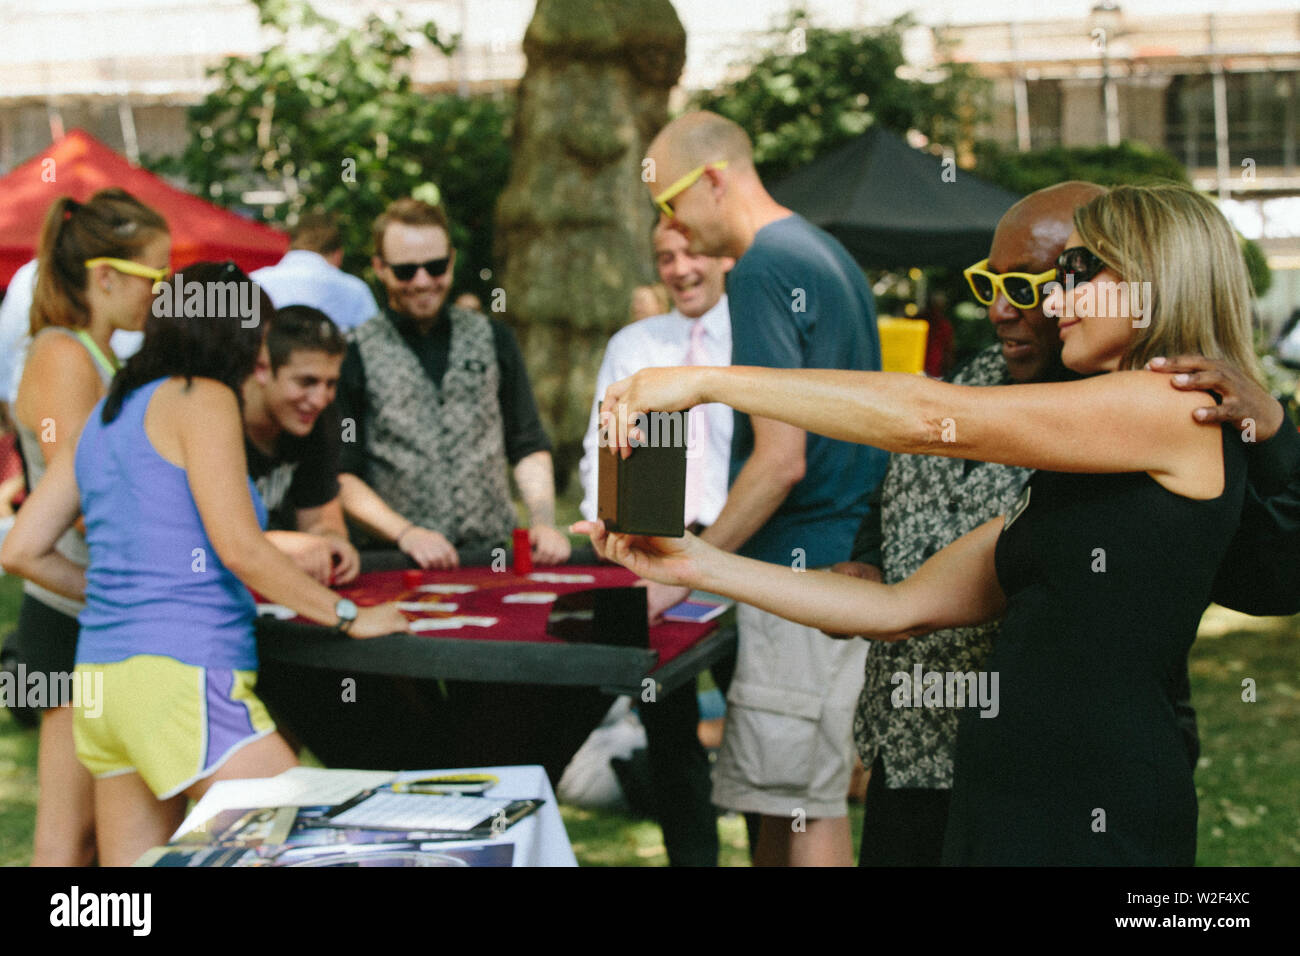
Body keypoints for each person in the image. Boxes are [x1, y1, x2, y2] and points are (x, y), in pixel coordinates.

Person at [584, 183, 1269, 865]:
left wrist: (708, 381)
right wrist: (698, 564)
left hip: (1093, 811)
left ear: (1154, 279)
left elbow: (928, 419)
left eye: (1079, 274)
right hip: (1008, 800)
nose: (1053, 301)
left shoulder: (1173, 409)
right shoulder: (1091, 468)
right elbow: (899, 608)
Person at [837, 180, 1300, 866]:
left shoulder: (1164, 409)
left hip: (1076, 787)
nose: (1022, 306)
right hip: (944, 756)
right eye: (994, 283)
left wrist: (1277, 431)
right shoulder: (992, 384)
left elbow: (1267, 575)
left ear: (1148, 278)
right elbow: (907, 551)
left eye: (1052, 280)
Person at [1, 262, 409, 867]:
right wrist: (348, 615)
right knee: (313, 849)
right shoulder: (204, 396)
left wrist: (129, 591)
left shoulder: (111, 413)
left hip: (103, 688)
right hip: (181, 677)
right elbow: (240, 547)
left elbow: (20, 549)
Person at [631, 110, 888, 866]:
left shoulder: (766, 266)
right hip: (836, 560)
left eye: (669, 202)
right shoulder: (823, 250)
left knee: (805, 807)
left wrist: (690, 568)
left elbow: (780, 460)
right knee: (787, 801)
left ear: (712, 180)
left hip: (802, 570)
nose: (669, 224)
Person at [7, 189, 169, 866]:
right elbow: (79, 495)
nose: (160, 295)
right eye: (154, 277)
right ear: (105, 275)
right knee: (69, 835)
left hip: (94, 608)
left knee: (109, 836)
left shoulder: (98, 355)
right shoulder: (64, 354)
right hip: (70, 612)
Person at [577, 219, 734, 866]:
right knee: (668, 733)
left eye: (692, 251)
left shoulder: (756, 339)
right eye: (666, 257)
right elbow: (600, 447)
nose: (680, 268)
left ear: (723, 254)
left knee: (758, 739)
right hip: (652, 554)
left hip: (739, 549)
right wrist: (605, 529)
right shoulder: (635, 344)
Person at [335, 197, 569, 568]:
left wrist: (544, 523)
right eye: (406, 271)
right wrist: (405, 533)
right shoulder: (353, 352)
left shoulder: (494, 338)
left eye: (436, 266)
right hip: (397, 562)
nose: (424, 281)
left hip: (491, 556)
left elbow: (526, 443)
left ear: (452, 259)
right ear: (380, 267)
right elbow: (340, 474)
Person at [241, 304, 359, 585]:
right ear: (262, 369)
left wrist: (332, 541)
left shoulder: (320, 418)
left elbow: (320, 518)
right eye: (307, 382)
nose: (320, 399)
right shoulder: (218, 416)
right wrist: (279, 544)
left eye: (331, 384)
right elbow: (197, 539)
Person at [250, 211, 381, 332]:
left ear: (288, 247)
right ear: (338, 255)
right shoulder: (355, 290)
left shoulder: (252, 282)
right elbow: (376, 348)